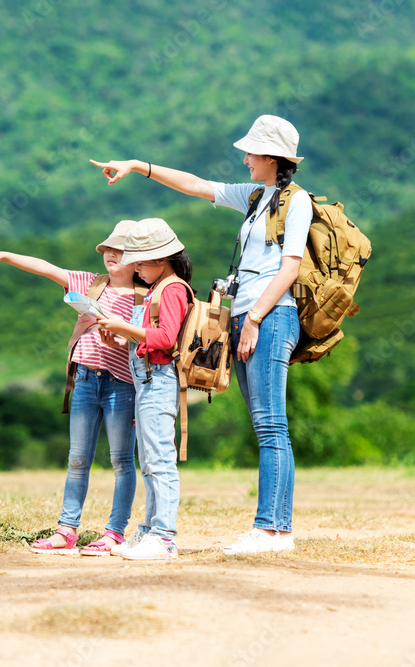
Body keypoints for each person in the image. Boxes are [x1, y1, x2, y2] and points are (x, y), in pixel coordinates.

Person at [90, 114, 312, 555]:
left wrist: (253, 319)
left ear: (271, 157)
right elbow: (195, 184)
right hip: (247, 316)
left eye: (251, 152)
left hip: (270, 316)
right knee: (264, 425)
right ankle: (273, 529)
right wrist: (138, 165)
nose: (245, 158)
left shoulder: (297, 201)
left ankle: (272, 530)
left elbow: (290, 267)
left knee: (272, 426)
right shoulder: (256, 197)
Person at [0, 220, 140, 555]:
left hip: (123, 386)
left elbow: (146, 342)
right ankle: (67, 530)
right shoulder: (92, 283)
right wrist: (4, 255)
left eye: (121, 250)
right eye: (109, 248)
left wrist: (120, 339)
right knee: (77, 458)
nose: (111, 255)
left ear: (138, 259)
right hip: (86, 382)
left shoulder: (145, 296)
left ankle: (114, 533)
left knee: (121, 460)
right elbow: (48, 268)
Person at [95, 219, 192, 560]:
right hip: (146, 379)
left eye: (140, 261)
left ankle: (164, 537)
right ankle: (149, 530)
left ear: (161, 259)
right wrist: (122, 337)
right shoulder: (156, 289)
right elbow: (150, 338)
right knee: (149, 460)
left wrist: (123, 325)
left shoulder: (173, 289)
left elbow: (166, 338)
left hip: (158, 380)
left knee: (160, 460)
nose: (136, 267)